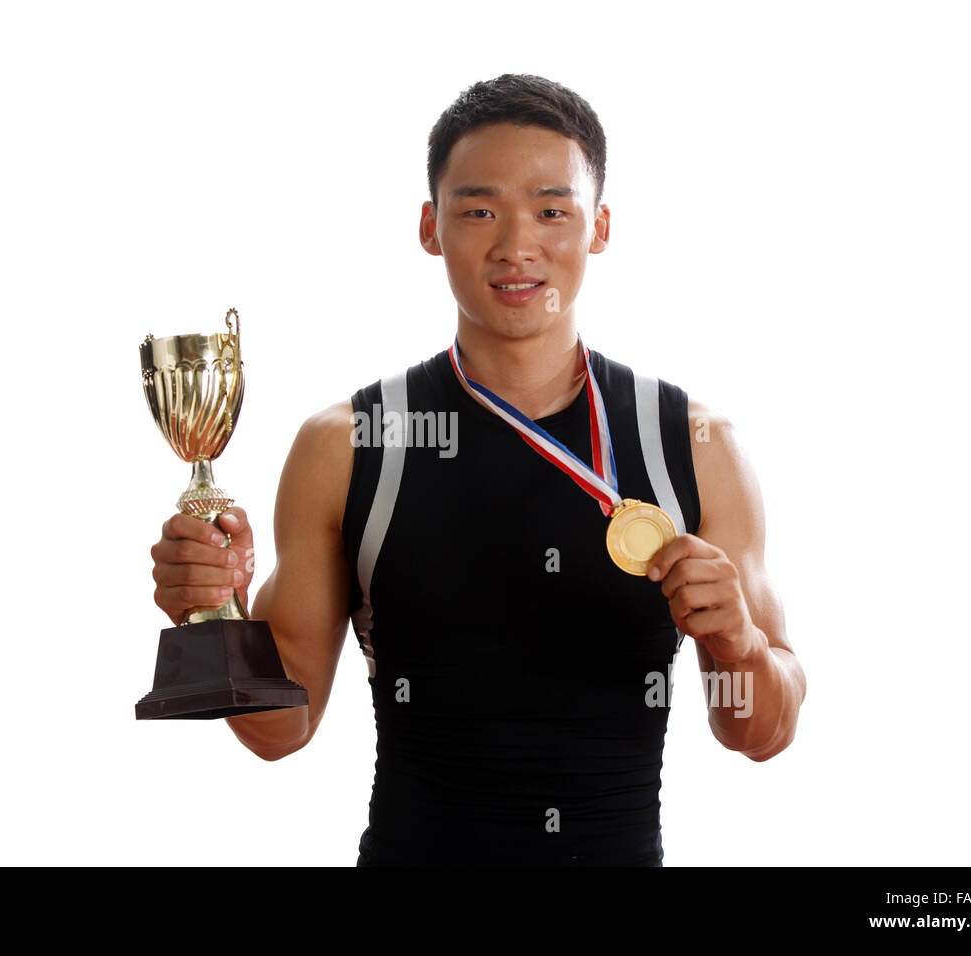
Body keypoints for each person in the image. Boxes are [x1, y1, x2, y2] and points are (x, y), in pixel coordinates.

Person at [149, 74, 806, 866]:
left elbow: (760, 733)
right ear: (431, 227)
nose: (516, 245)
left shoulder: (696, 444)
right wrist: (216, 606)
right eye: (480, 209)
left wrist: (737, 645)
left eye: (552, 210)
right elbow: (281, 731)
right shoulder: (350, 445)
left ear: (599, 227)